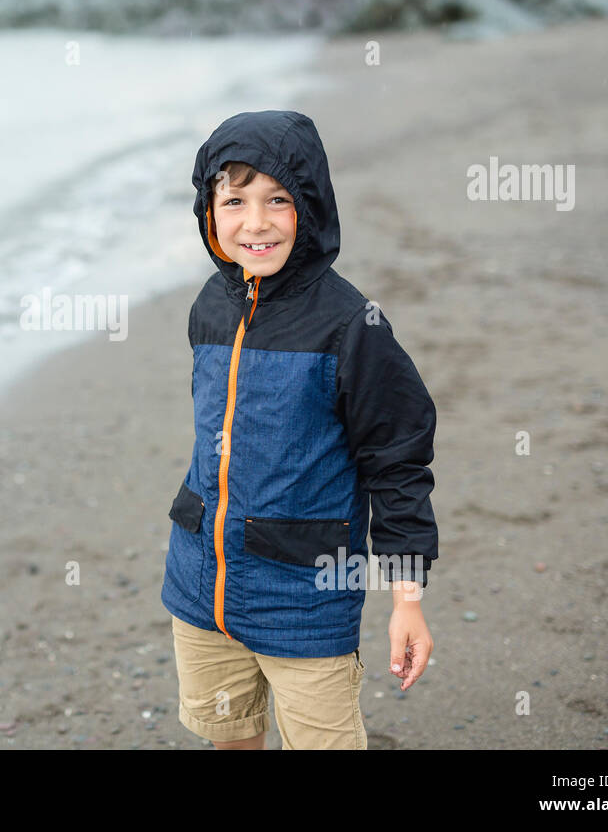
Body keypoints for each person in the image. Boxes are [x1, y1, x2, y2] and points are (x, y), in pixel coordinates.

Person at [161, 109, 438, 750]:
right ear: (208, 211)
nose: (254, 222)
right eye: (234, 200)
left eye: (278, 200)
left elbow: (397, 461)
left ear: (309, 208)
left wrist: (406, 597)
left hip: (305, 593)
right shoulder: (209, 305)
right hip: (201, 583)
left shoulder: (351, 326)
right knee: (226, 733)